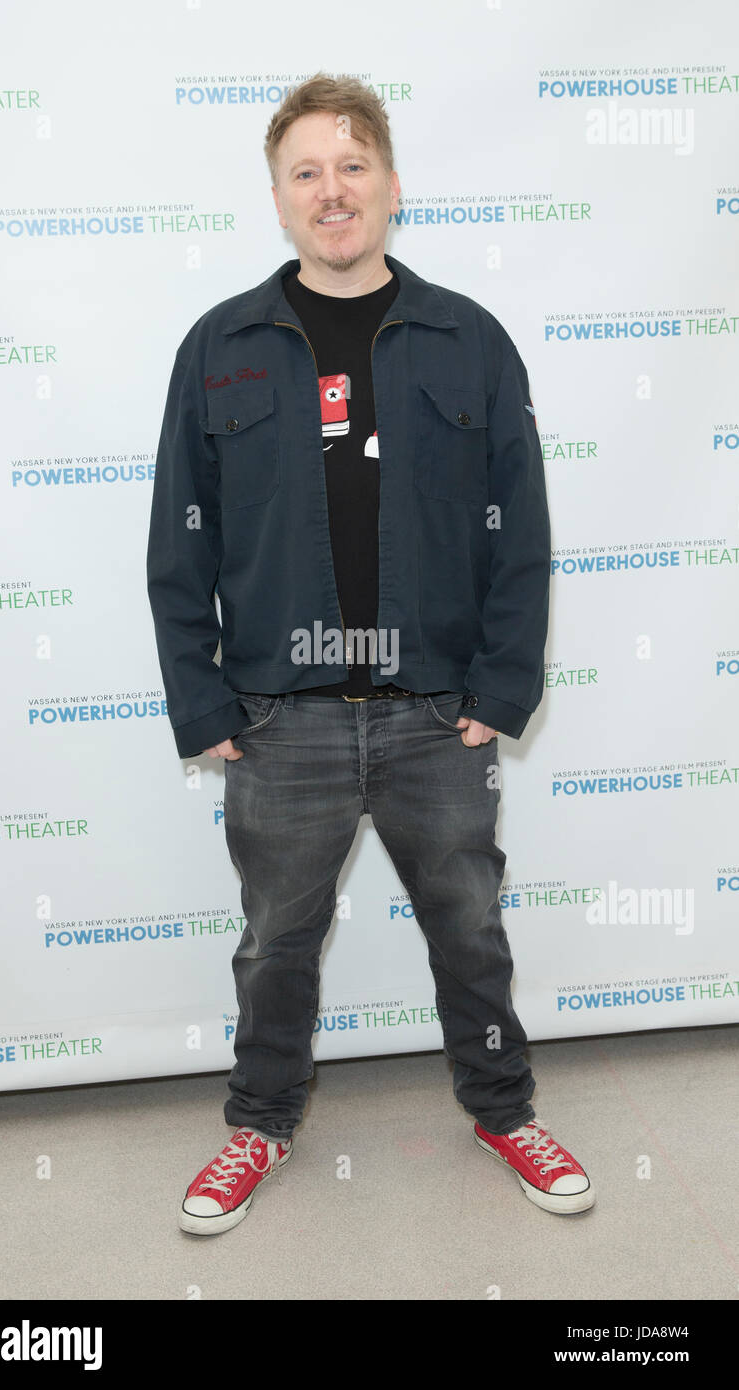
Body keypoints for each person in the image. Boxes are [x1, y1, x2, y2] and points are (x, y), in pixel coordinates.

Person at [146, 72, 595, 1238]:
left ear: (391, 185)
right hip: (279, 713)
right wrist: (202, 704)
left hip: (434, 710)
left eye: (350, 166)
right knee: (274, 942)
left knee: (469, 928)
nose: (330, 190)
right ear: (279, 198)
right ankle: (257, 1120)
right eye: (305, 172)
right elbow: (175, 544)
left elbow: (522, 532)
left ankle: (502, 1108)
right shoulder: (219, 348)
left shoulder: (469, 341)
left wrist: (500, 690)